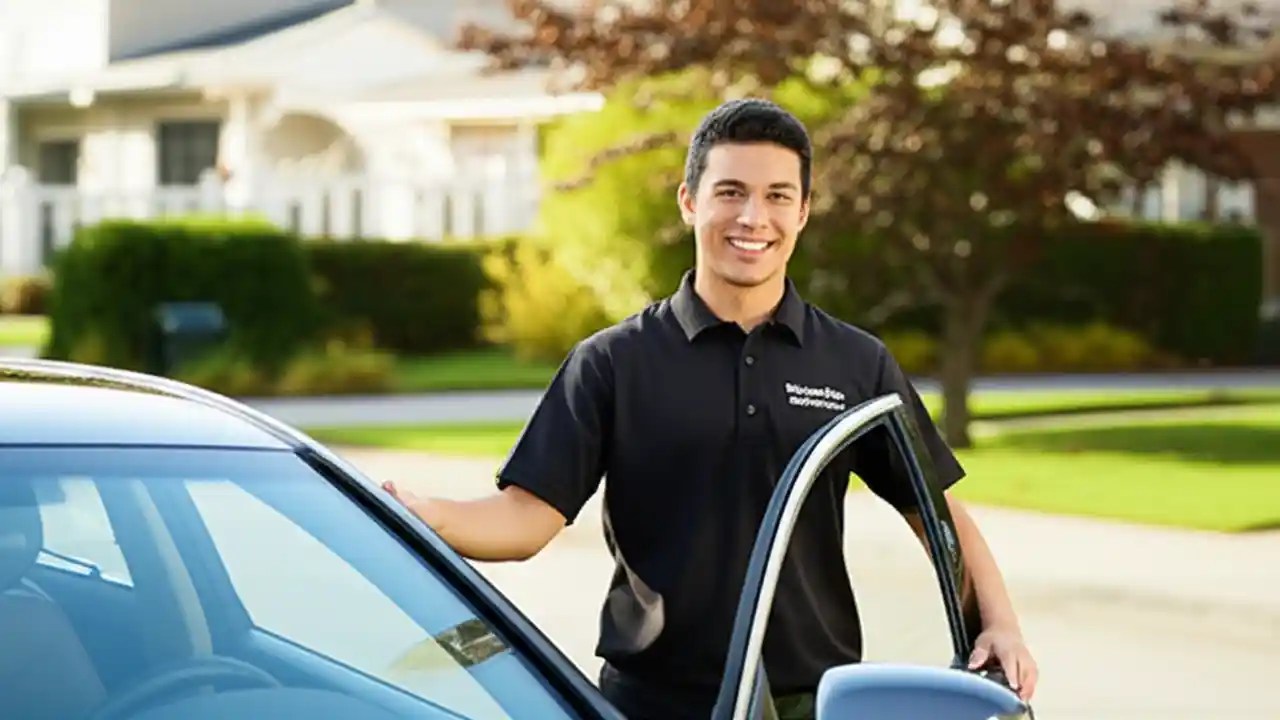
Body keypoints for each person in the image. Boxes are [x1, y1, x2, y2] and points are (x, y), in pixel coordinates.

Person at [383, 98, 1038, 720]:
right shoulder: (614, 362)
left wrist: (1000, 625)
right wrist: (424, 514)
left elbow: (936, 515)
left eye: (778, 196)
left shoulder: (854, 363)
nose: (753, 217)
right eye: (730, 192)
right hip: (648, 704)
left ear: (804, 211)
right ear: (690, 202)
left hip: (806, 704)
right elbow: (526, 519)